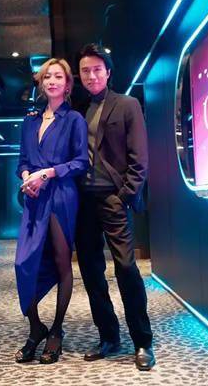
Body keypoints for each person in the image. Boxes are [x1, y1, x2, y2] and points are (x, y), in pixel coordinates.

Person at [74, 43, 155, 371]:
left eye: (97, 69)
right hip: (83, 201)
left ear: (108, 72)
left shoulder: (127, 104)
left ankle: (143, 341)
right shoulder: (79, 109)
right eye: (85, 71)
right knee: (91, 270)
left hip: (113, 198)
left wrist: (124, 196)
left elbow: (140, 158)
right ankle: (109, 336)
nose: (91, 75)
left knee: (126, 268)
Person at [14, 58, 89, 364]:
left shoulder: (74, 120)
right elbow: (22, 161)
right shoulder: (30, 121)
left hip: (60, 196)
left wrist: (47, 173)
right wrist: (26, 177)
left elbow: (81, 162)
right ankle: (36, 327)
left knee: (61, 262)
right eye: (47, 77)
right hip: (34, 197)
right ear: (41, 83)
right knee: (23, 263)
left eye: (59, 76)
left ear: (67, 84)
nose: (52, 81)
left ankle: (56, 330)